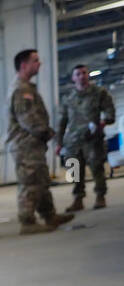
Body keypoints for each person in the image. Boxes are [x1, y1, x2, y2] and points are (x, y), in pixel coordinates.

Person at [7, 48, 74, 234]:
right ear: (23, 65)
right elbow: (27, 119)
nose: (39, 63)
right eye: (35, 60)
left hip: (32, 143)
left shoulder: (26, 87)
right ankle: (27, 222)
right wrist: (47, 132)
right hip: (25, 143)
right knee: (30, 182)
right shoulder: (21, 89)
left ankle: (49, 215)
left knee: (41, 180)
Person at [56, 63, 116, 210]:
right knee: (74, 171)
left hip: (92, 138)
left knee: (97, 168)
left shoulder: (99, 92)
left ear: (88, 75)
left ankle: (100, 196)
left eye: (84, 73)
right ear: (73, 78)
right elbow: (62, 121)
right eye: (78, 74)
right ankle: (78, 199)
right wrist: (59, 143)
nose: (81, 76)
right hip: (73, 141)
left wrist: (104, 122)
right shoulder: (68, 98)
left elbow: (109, 111)